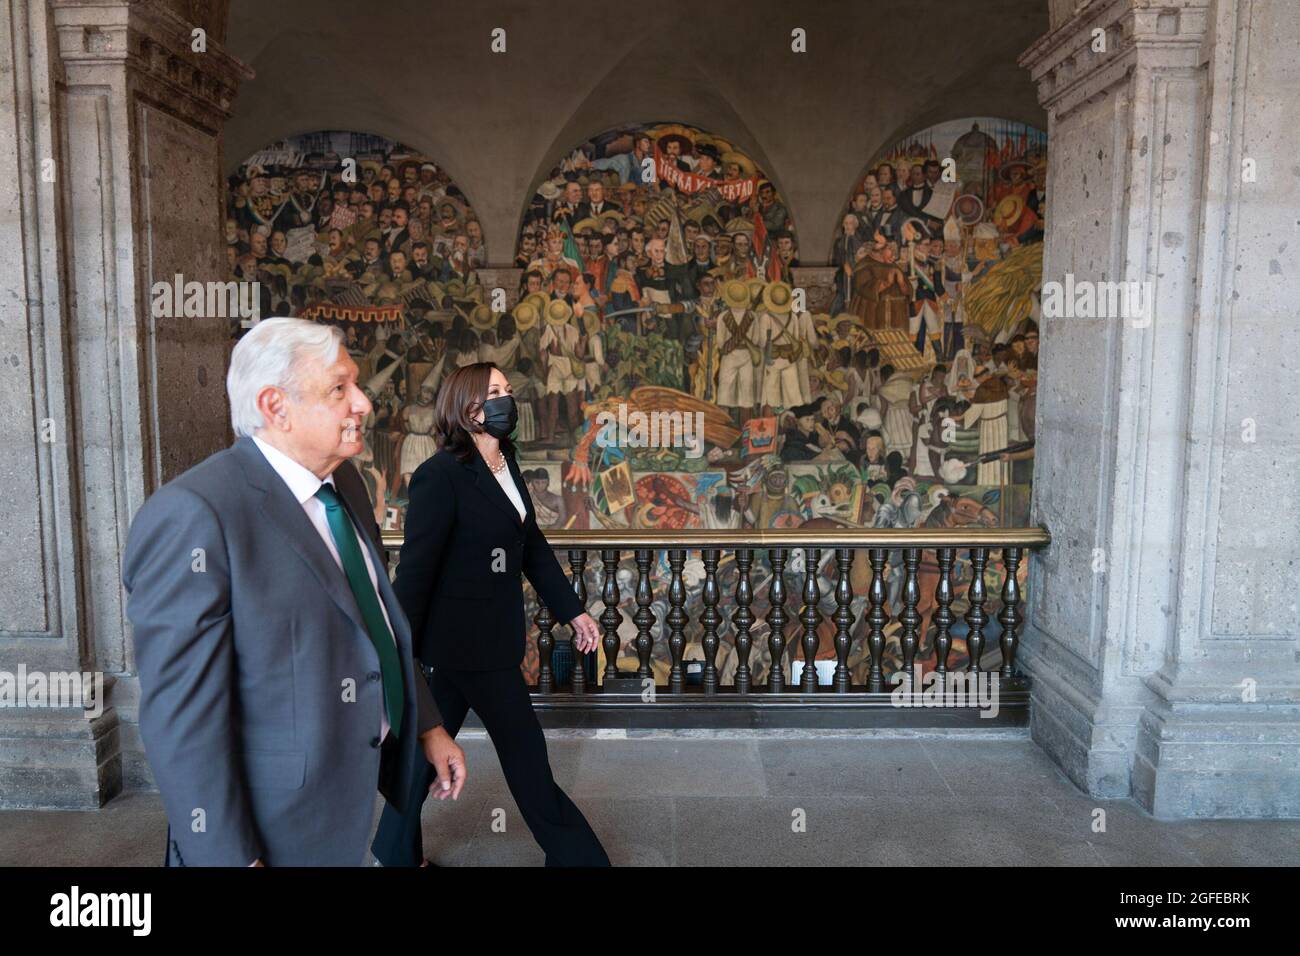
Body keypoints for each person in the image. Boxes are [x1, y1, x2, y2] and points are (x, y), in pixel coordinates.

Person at [122, 318, 466, 866]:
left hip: (342, 803)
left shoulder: (344, 483)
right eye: (338, 389)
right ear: (275, 406)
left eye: (355, 383)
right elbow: (181, 720)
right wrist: (231, 858)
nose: (363, 403)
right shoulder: (195, 515)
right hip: (268, 829)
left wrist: (427, 725)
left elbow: (377, 618)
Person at [371, 362, 611, 867]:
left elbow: (531, 548)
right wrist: (400, 656)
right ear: (465, 407)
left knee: (419, 758)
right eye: (493, 392)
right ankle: (580, 860)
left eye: (507, 390)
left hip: (492, 640)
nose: (506, 400)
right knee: (527, 758)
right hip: (460, 647)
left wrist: (573, 612)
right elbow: (415, 574)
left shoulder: (506, 462)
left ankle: (393, 854)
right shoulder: (439, 476)